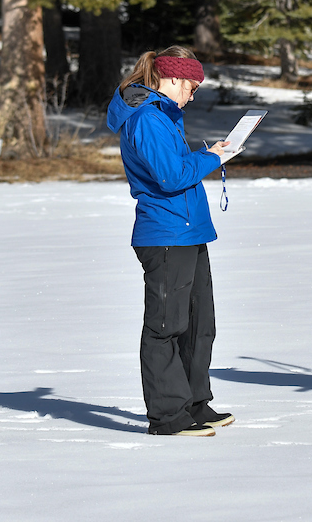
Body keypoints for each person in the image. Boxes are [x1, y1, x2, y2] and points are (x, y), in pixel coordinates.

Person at [106, 46, 241, 437]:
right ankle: (168, 416)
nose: (193, 95)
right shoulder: (148, 118)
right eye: (192, 87)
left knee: (199, 325)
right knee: (166, 325)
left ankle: (196, 404)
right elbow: (170, 176)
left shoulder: (165, 116)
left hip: (188, 231)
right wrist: (213, 158)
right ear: (175, 79)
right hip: (165, 234)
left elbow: (177, 169)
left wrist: (208, 156)